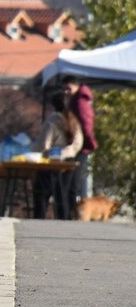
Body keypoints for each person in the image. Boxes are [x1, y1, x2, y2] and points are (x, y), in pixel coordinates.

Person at [31, 90, 83, 220]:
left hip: (51, 161)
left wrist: (36, 152)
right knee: (63, 193)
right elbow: (78, 143)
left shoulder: (52, 121)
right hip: (69, 161)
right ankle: (64, 219)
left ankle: (39, 219)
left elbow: (44, 144)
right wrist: (68, 152)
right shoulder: (74, 121)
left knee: (42, 193)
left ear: (53, 105)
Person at [61, 75, 97, 207]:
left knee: (72, 182)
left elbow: (86, 124)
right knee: (71, 182)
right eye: (64, 89)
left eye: (68, 88)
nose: (66, 92)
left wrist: (90, 143)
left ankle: (70, 211)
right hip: (78, 145)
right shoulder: (75, 100)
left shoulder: (80, 102)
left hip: (80, 146)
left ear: (76, 86)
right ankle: (70, 210)